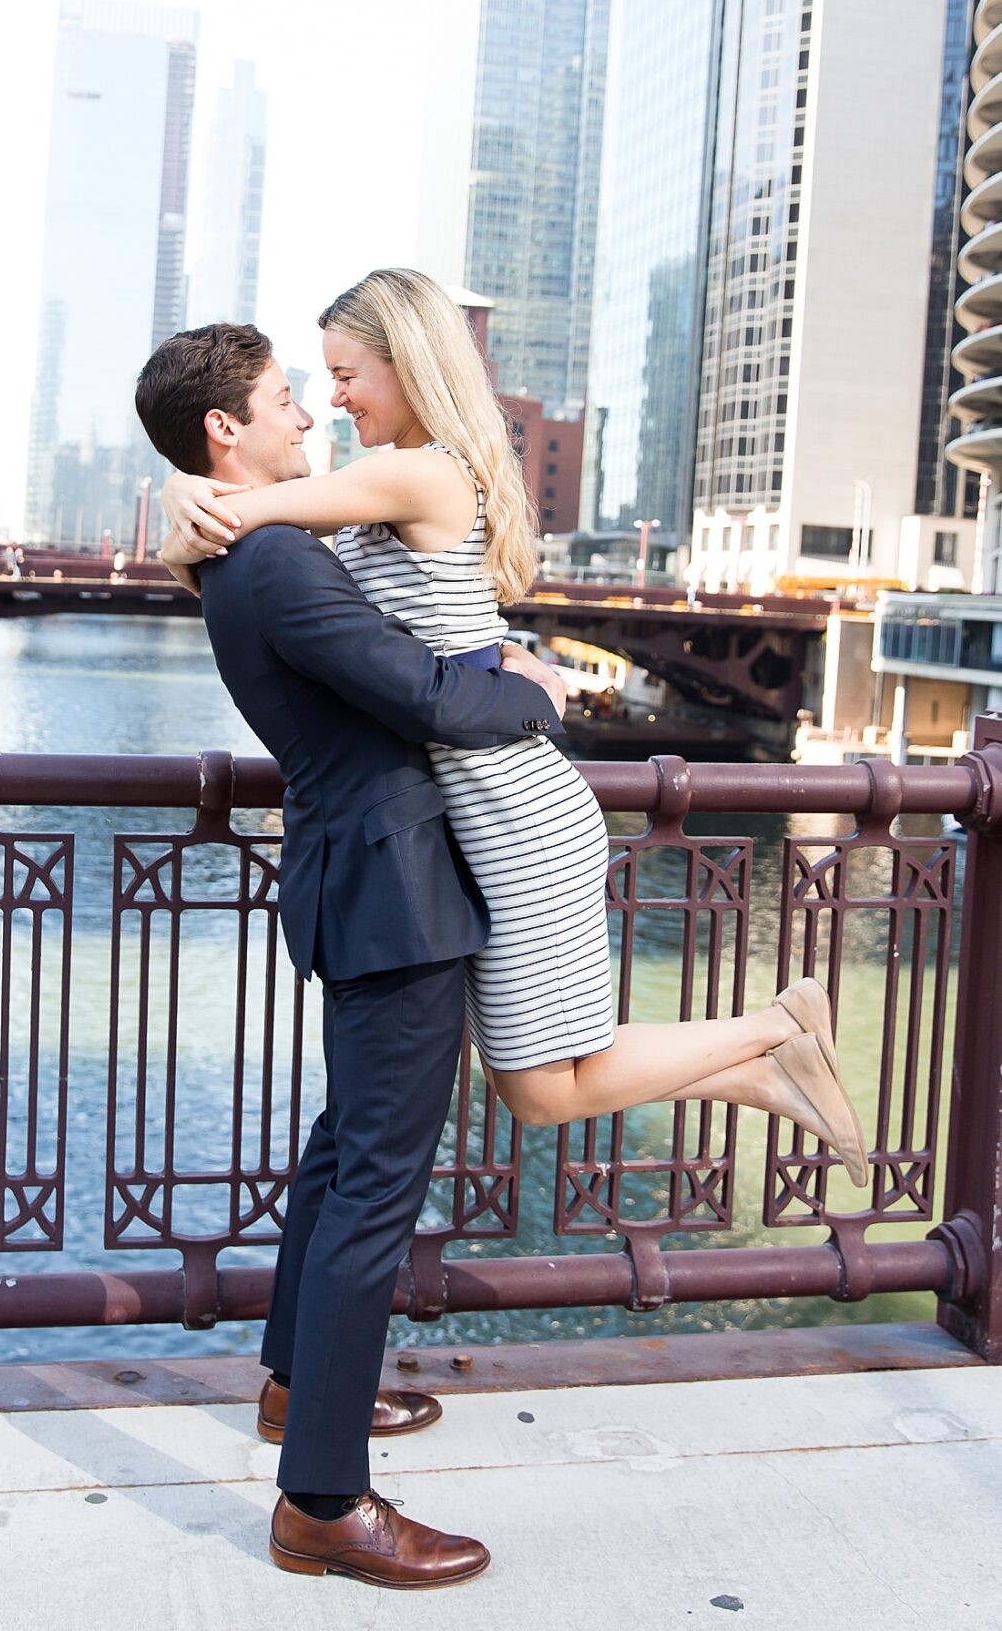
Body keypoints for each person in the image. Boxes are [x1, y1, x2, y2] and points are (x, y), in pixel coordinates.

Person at [158, 272, 869, 1183]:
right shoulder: (390, 481)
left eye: (346, 374)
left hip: (513, 813)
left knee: (544, 1088)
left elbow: (240, 516)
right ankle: (770, 1072)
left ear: (405, 362)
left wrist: (182, 494)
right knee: (536, 1093)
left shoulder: (414, 471)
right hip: (485, 809)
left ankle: (776, 1028)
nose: (331, 398)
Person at [136, 322, 562, 1590]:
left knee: (342, 1159)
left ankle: (290, 1389)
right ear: (227, 429)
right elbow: (422, 696)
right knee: (379, 1184)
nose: (304, 415)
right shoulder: (270, 559)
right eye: (281, 400)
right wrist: (539, 690)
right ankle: (322, 1497)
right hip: (394, 886)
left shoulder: (248, 543)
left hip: (358, 870)